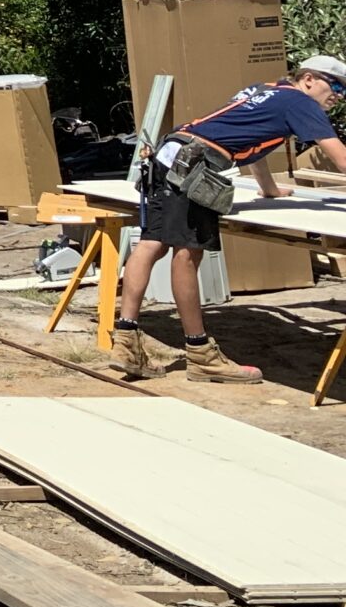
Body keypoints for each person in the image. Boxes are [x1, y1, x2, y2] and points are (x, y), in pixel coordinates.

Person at [116, 55, 346, 380]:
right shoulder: (300, 102)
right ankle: (200, 354)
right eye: (335, 85)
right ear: (308, 78)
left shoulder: (266, 89)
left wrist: (268, 189)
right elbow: (341, 159)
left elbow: (250, 141)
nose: (338, 95)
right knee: (187, 255)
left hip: (171, 152)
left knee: (151, 244)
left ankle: (126, 342)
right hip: (195, 165)